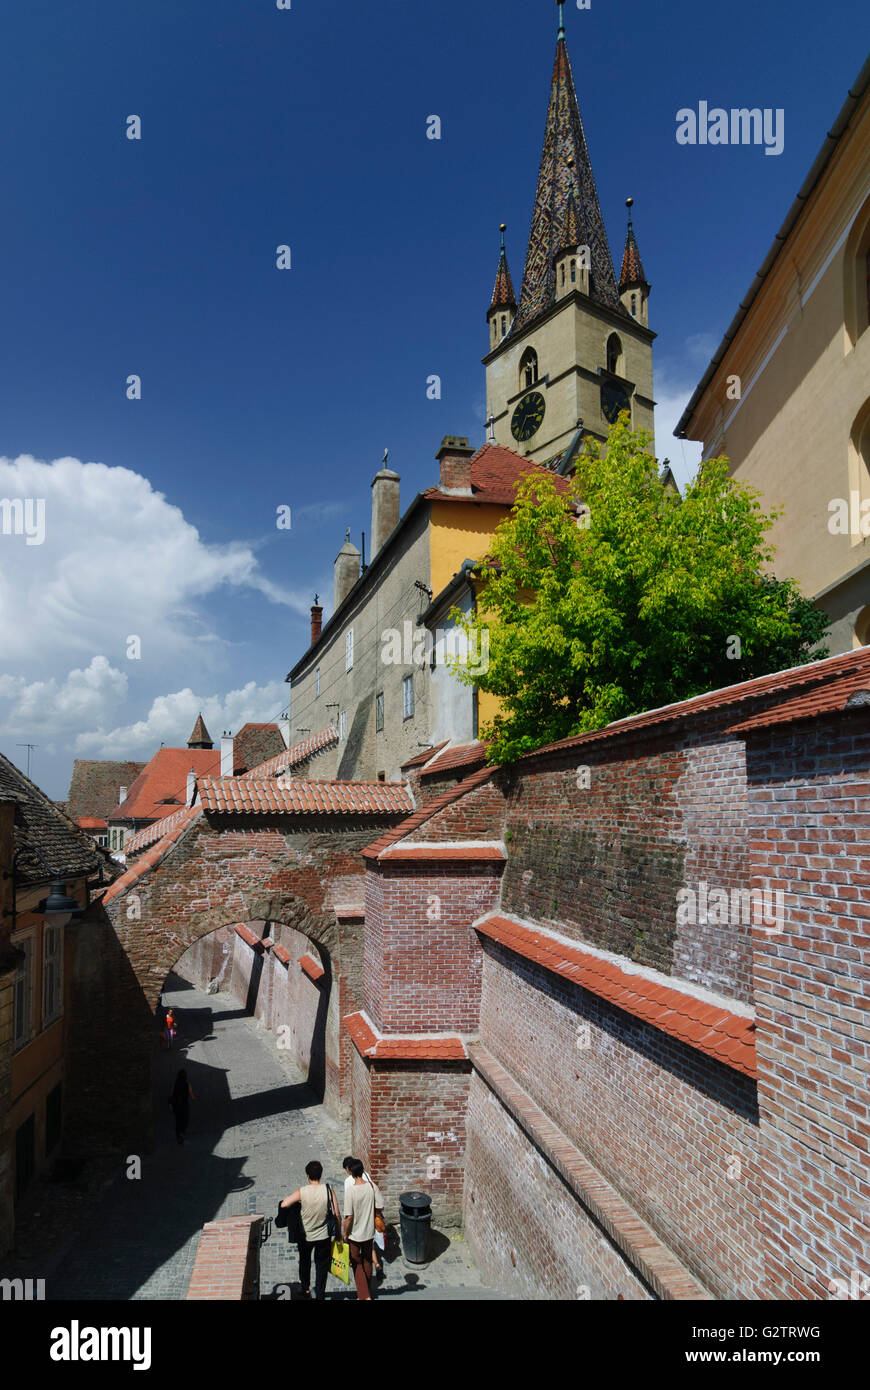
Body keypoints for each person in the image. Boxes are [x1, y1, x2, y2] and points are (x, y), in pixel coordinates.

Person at [280, 1161, 340, 1301]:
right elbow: (337, 1213)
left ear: (308, 1176)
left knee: (304, 1262)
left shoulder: (303, 1191)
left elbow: (284, 1204)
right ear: (320, 1174)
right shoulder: (328, 1189)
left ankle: (305, 1288)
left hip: (305, 1236)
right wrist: (338, 1235)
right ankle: (320, 1294)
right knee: (322, 1267)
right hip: (323, 1236)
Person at [343, 1158, 383, 1301]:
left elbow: (348, 1217)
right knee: (367, 1261)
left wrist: (344, 1233)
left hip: (354, 1234)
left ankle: (364, 1295)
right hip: (369, 1231)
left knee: (356, 1262)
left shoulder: (351, 1191)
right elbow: (380, 1206)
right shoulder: (372, 1186)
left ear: (351, 1173)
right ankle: (367, 1290)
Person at [168, 1068, 194, 1145]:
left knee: (178, 1121)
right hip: (184, 1105)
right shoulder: (187, 1084)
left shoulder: (175, 1084)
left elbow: (171, 1094)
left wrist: (170, 1104)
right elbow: (191, 1094)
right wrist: (193, 1098)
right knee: (185, 1120)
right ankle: (182, 1134)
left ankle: (178, 1137)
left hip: (176, 1106)